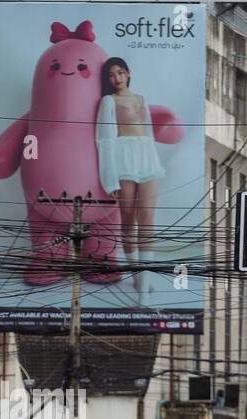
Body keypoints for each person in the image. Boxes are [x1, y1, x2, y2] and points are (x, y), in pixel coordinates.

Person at [96, 57, 166, 305]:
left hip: (147, 157)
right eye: (112, 75)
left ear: (128, 73)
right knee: (128, 220)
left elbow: (147, 132)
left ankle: (144, 288)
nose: (117, 78)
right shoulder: (108, 101)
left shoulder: (141, 99)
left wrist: (153, 160)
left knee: (147, 217)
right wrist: (110, 179)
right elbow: (104, 139)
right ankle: (136, 274)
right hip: (123, 157)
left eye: (120, 72)